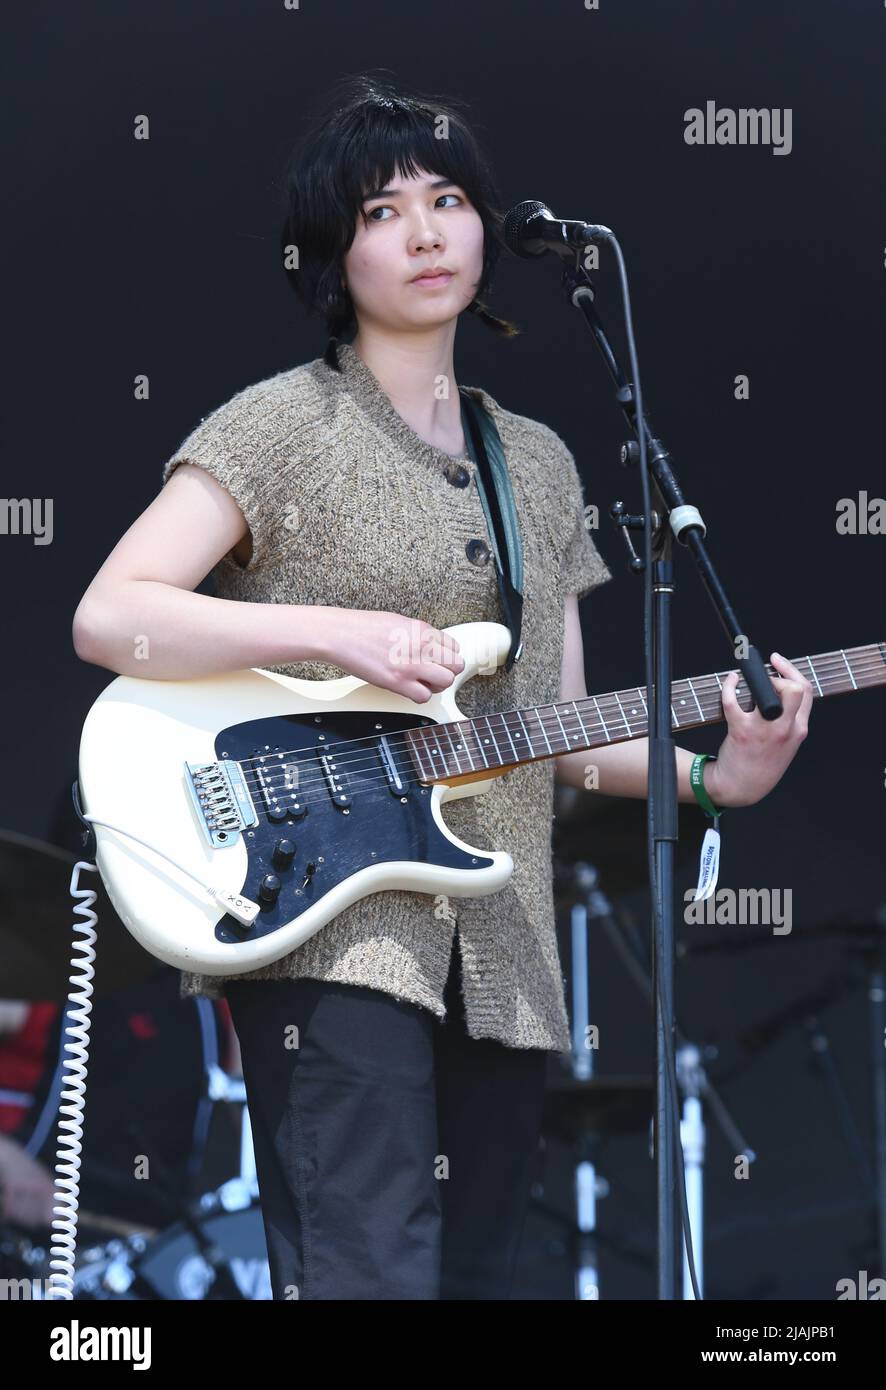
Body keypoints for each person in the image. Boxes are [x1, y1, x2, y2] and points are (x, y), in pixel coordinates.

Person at [72, 73, 813, 1300]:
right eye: (379, 210)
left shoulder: (537, 458)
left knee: (475, 1276)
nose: (423, 231)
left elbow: (559, 737)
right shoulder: (280, 425)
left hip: (501, 944)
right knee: (370, 1270)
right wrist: (346, 634)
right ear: (327, 254)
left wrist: (710, 775)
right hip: (328, 921)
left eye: (449, 198)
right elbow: (112, 614)